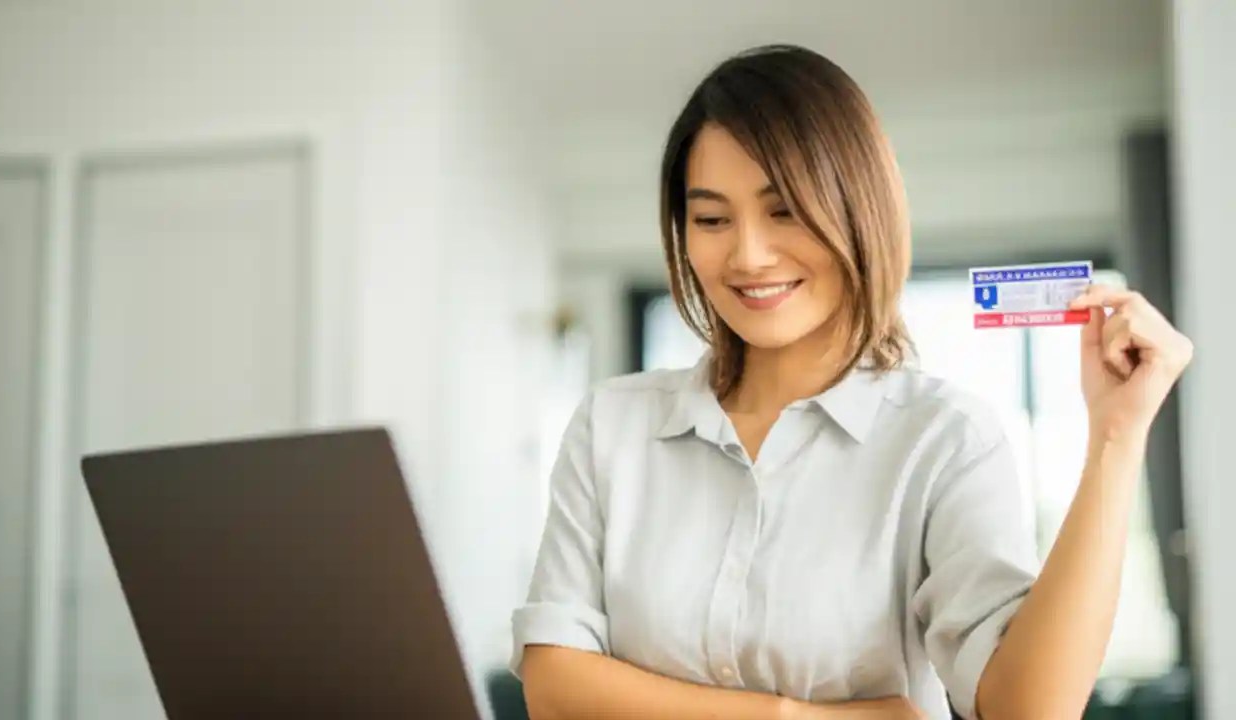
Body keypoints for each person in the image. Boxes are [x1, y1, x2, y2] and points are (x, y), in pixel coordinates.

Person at [511, 45, 1193, 720]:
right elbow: (553, 684)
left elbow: (1028, 710)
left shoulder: (944, 439)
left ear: (857, 209)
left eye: (784, 211)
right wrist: (798, 717)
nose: (748, 254)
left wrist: (1116, 434)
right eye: (712, 219)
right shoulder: (613, 426)